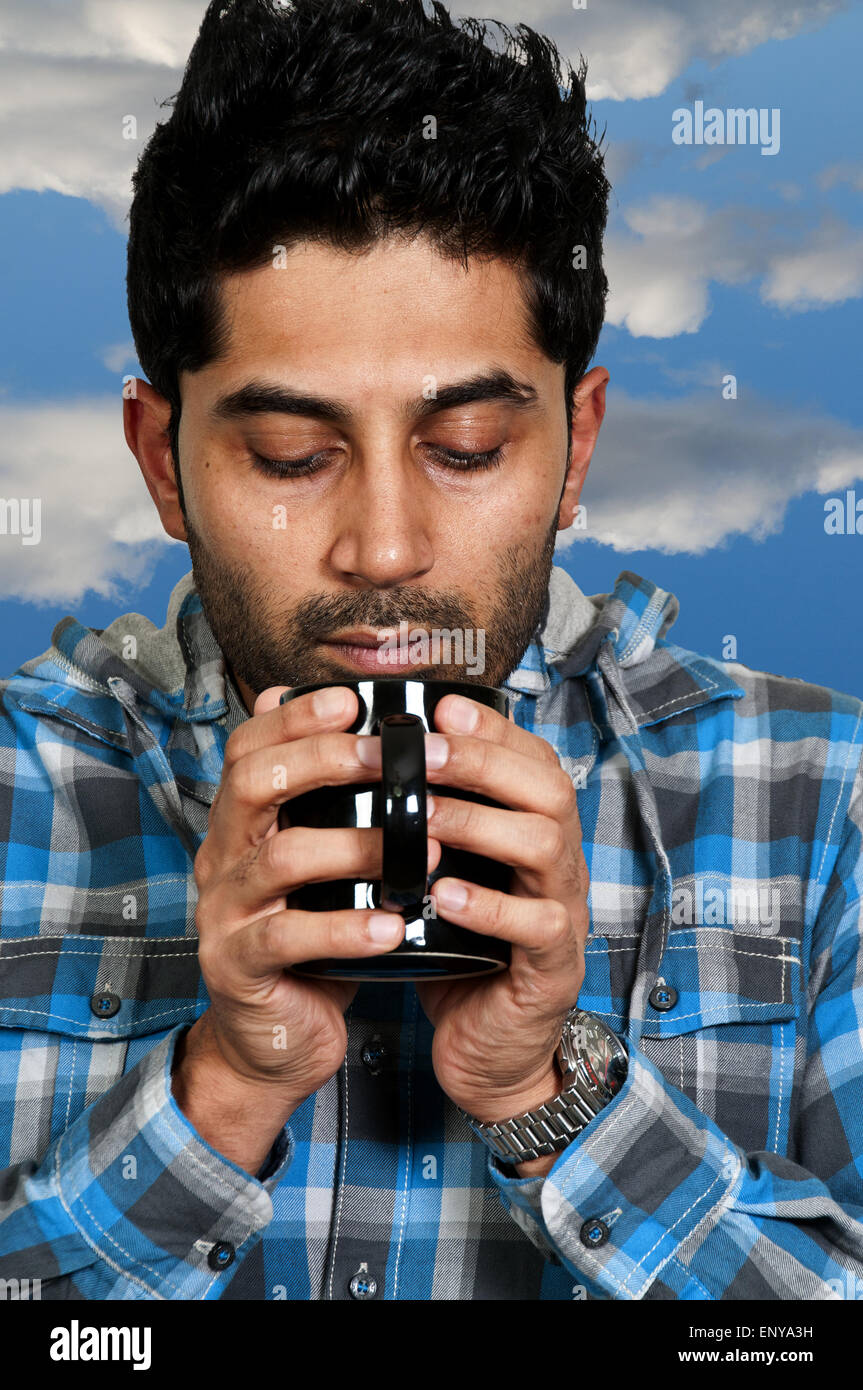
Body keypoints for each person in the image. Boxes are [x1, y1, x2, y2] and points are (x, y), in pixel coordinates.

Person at [1, 0, 861, 1302]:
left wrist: (552, 1097)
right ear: (159, 464)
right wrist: (218, 1094)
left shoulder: (827, 803)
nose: (387, 548)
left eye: (465, 447)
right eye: (292, 454)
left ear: (577, 445)